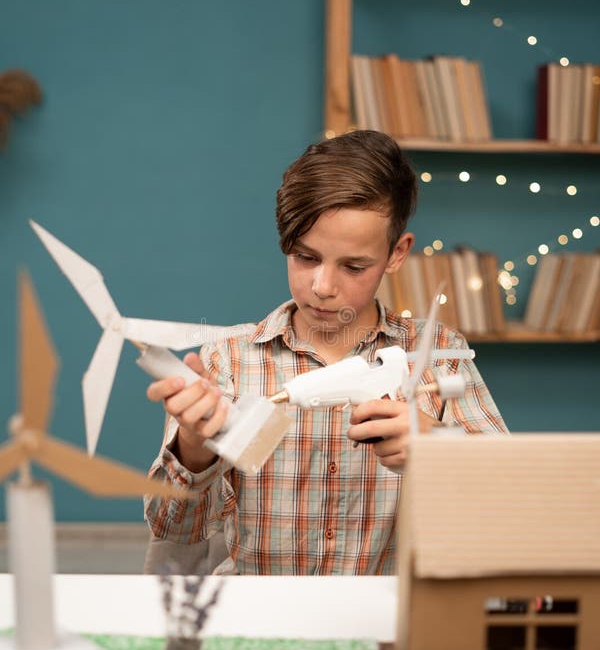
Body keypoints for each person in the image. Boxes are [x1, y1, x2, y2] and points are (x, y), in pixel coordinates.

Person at [144, 130, 507, 575]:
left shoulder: (438, 355)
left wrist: (439, 449)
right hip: (260, 615)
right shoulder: (229, 360)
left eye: (353, 266)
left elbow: (507, 505)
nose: (322, 287)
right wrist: (195, 447)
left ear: (397, 253)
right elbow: (174, 530)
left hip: (386, 617)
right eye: (305, 257)